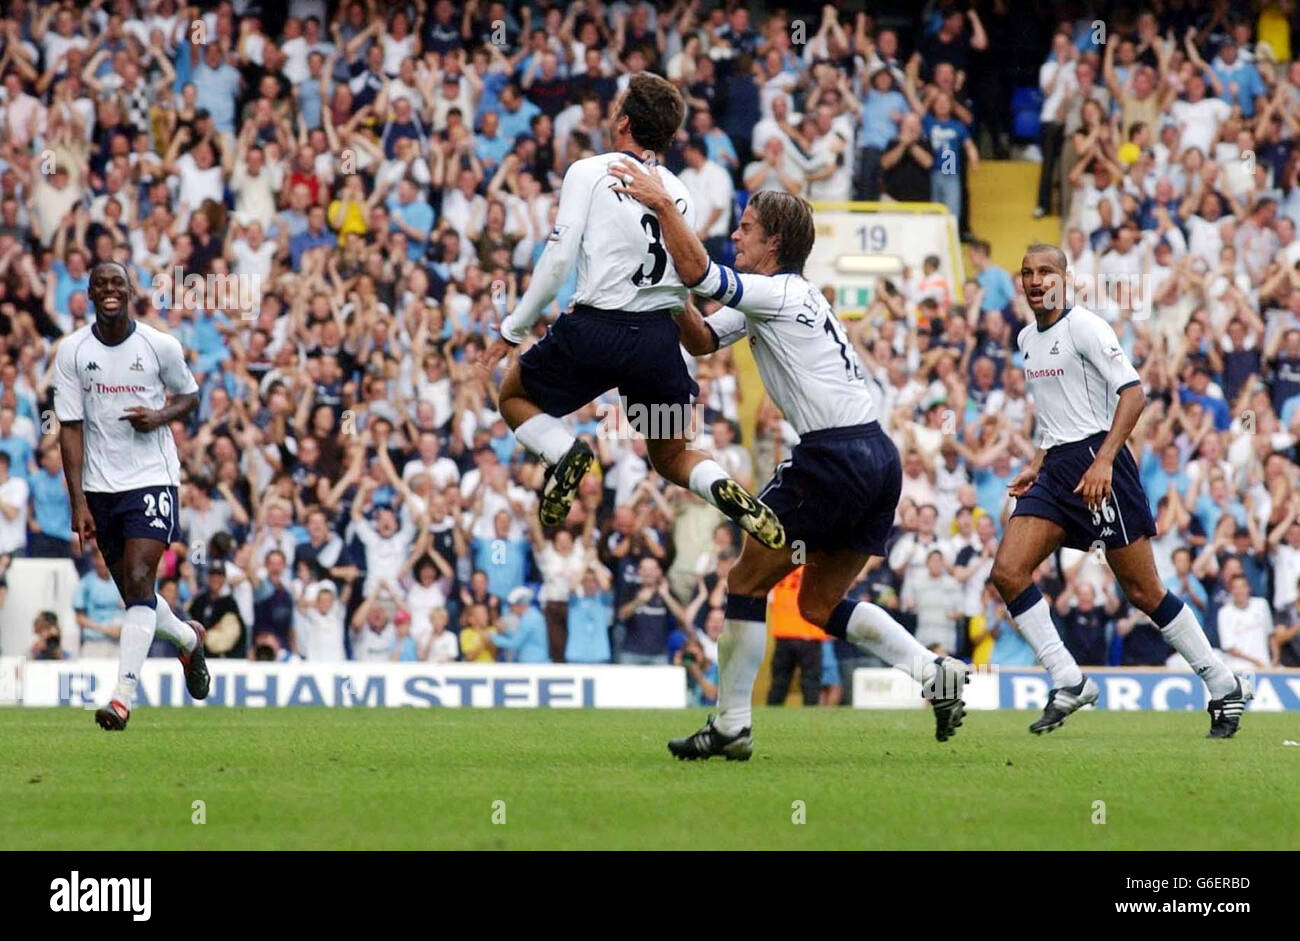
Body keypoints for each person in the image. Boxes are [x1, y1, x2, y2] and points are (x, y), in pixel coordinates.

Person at [608, 160, 969, 761]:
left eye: (746, 228)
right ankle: (934, 673)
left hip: (833, 455)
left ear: (774, 243)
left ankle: (731, 725)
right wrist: (668, 292)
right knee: (816, 604)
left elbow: (702, 272)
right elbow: (700, 337)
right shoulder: (780, 299)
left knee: (745, 581)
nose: (737, 235)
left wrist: (663, 208)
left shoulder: (775, 291)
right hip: (876, 457)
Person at [481, 73, 783, 550]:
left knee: (514, 398)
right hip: (655, 345)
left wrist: (513, 327)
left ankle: (564, 454)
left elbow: (558, 259)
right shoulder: (679, 191)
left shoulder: (589, 170)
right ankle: (722, 485)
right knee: (672, 454)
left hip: (595, 330)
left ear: (622, 121)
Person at [989, 244, 1251, 738]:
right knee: (1007, 572)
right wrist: (1036, 463)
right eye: (1027, 273)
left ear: (1064, 279)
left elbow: (1133, 393)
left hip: (1098, 463)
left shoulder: (1085, 326)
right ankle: (1069, 680)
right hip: (1057, 469)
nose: (1036, 280)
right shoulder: (1027, 338)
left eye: (1046, 271)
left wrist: (1106, 459)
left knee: (1143, 591)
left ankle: (1223, 683)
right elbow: (1056, 417)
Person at [55, 262, 210, 729]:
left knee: (142, 580)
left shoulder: (158, 345)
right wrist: (78, 502)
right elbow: (69, 428)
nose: (109, 291)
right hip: (100, 488)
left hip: (151, 478)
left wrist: (160, 417)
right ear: (88, 293)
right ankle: (188, 640)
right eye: (100, 284)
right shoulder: (73, 352)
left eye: (117, 284)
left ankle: (122, 697)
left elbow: (191, 396)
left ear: (130, 291)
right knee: (136, 597)